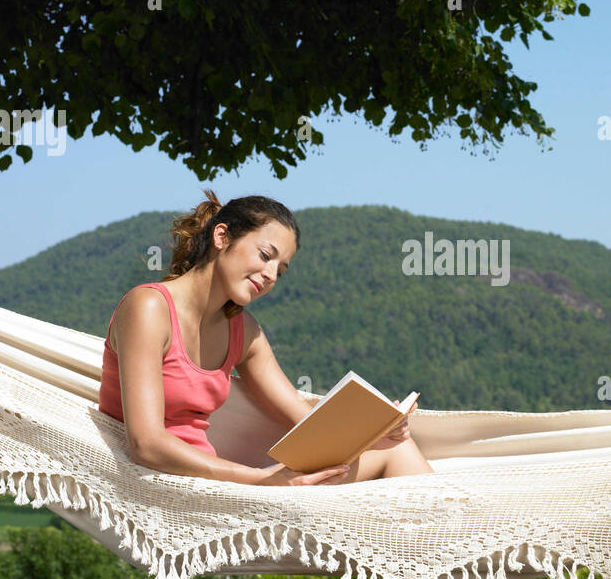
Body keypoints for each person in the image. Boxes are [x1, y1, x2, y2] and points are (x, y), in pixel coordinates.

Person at [98, 189, 434, 486]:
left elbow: (305, 421)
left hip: (217, 481)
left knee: (398, 450)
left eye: (281, 270)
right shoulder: (148, 308)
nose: (271, 275)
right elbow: (146, 445)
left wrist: (375, 433)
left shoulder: (243, 332)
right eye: (265, 255)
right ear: (221, 237)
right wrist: (262, 480)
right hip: (165, 483)